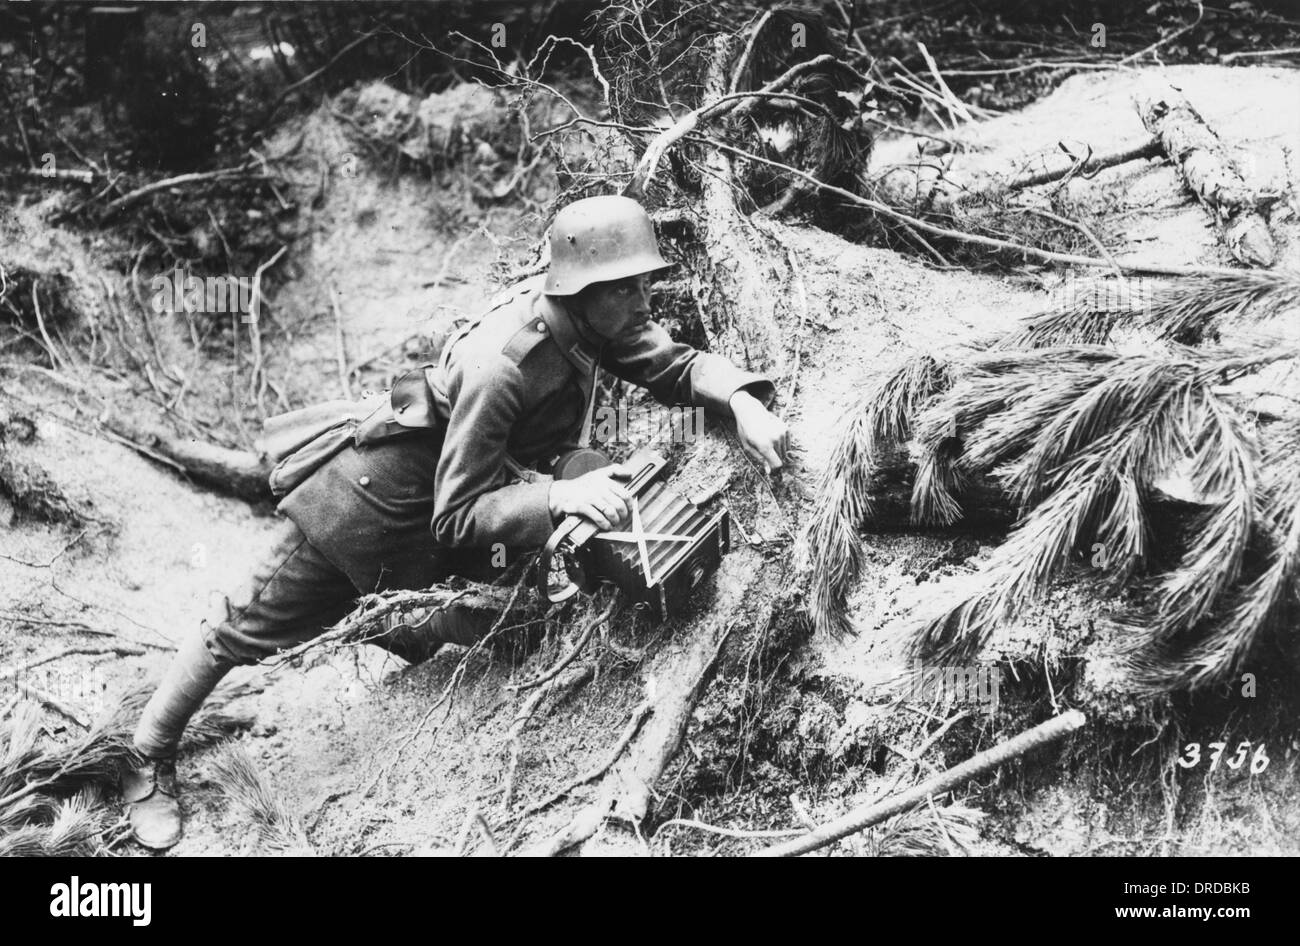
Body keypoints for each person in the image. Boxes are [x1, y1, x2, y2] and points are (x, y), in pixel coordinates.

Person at [122, 194, 789, 849]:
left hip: (469, 492)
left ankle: (399, 623)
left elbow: (671, 362)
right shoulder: (503, 366)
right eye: (628, 288)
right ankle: (145, 760)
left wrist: (741, 401)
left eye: (643, 283)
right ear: (582, 288)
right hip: (365, 511)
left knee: (528, 616)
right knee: (239, 630)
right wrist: (560, 497)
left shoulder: (591, 320)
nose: (643, 300)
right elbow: (458, 519)